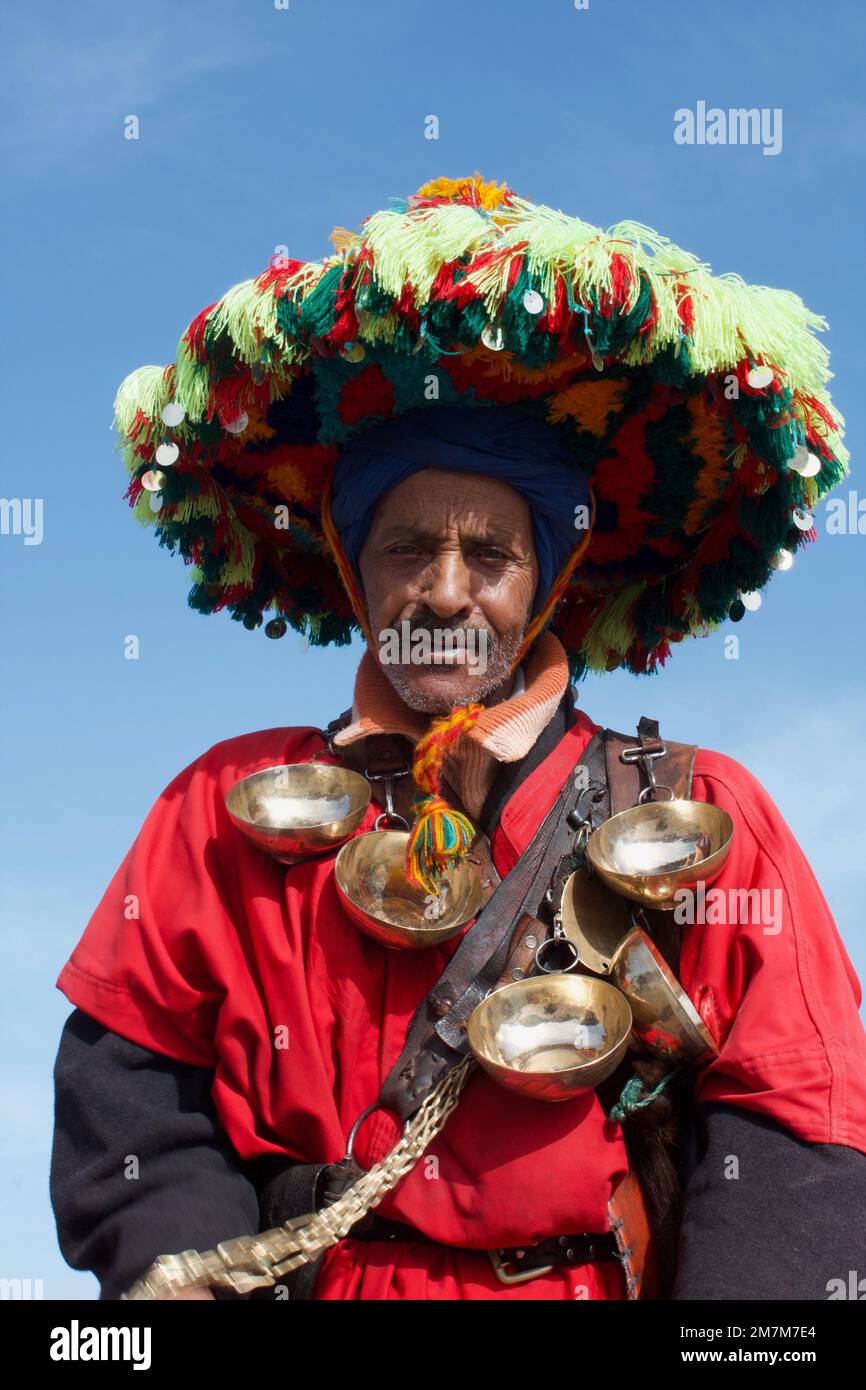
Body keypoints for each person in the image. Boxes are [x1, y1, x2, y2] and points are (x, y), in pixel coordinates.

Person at [51, 175, 866, 1301]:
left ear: (547, 579)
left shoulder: (705, 812)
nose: (443, 592)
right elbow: (131, 1117)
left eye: (488, 554)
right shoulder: (216, 812)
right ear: (351, 568)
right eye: (403, 550)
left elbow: (796, 1136)